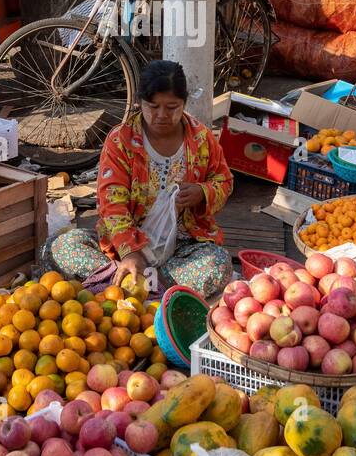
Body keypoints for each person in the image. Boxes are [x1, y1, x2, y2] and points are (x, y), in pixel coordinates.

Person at [41, 60, 234, 300]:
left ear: (184, 103)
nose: (162, 115)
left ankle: (122, 285)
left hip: (182, 245)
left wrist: (202, 192)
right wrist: (131, 253)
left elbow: (224, 180)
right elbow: (112, 204)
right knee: (58, 247)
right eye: (153, 107)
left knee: (219, 263)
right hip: (123, 246)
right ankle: (144, 284)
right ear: (139, 103)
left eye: (172, 107)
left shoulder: (201, 139)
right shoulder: (121, 141)